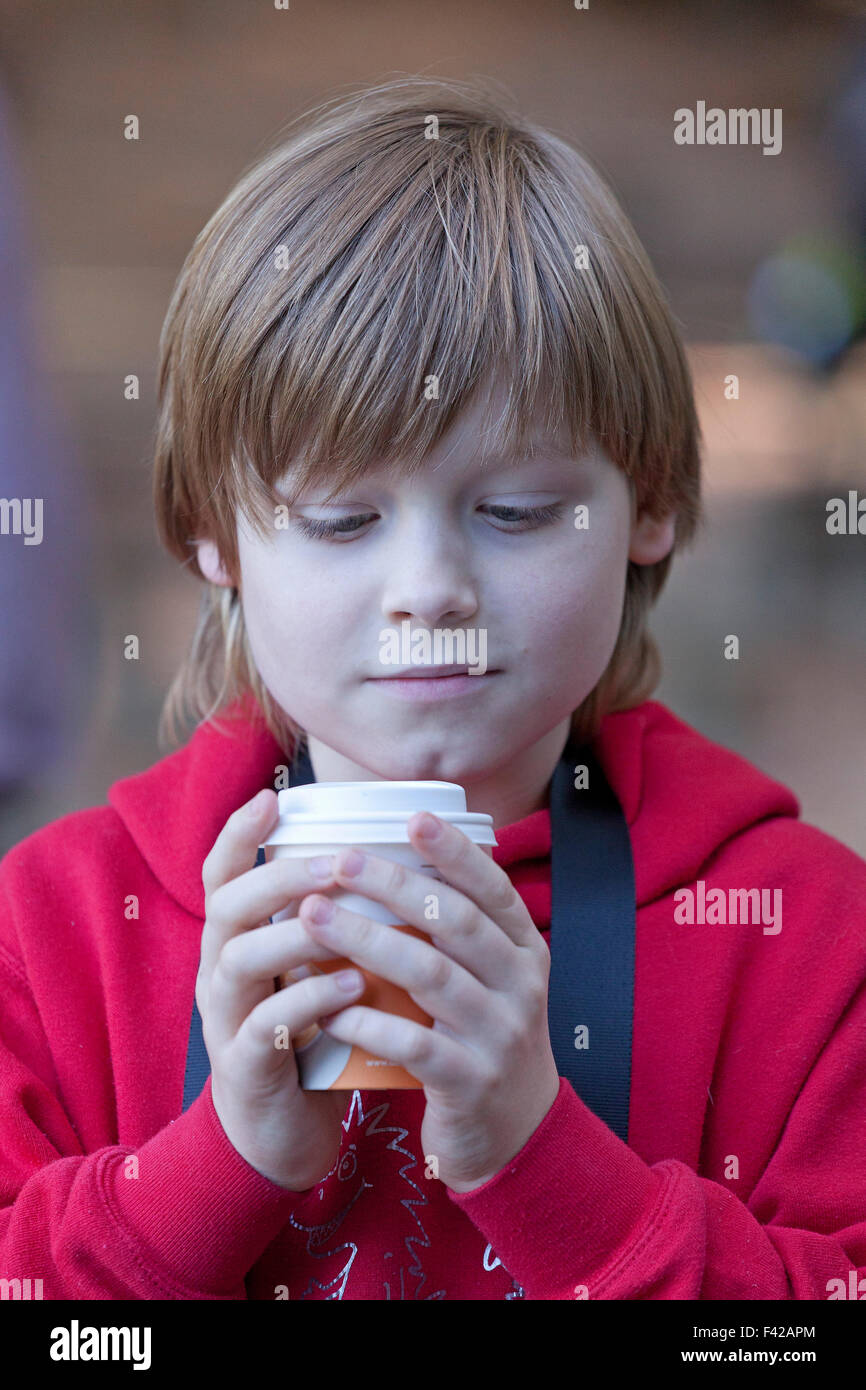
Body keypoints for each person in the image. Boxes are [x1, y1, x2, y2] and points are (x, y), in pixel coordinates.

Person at [1, 76, 864, 1302]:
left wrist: (548, 1163)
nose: (430, 587)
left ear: (654, 501)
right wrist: (211, 1167)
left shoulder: (801, 938)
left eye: (512, 510)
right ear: (212, 536)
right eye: (343, 520)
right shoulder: (58, 932)